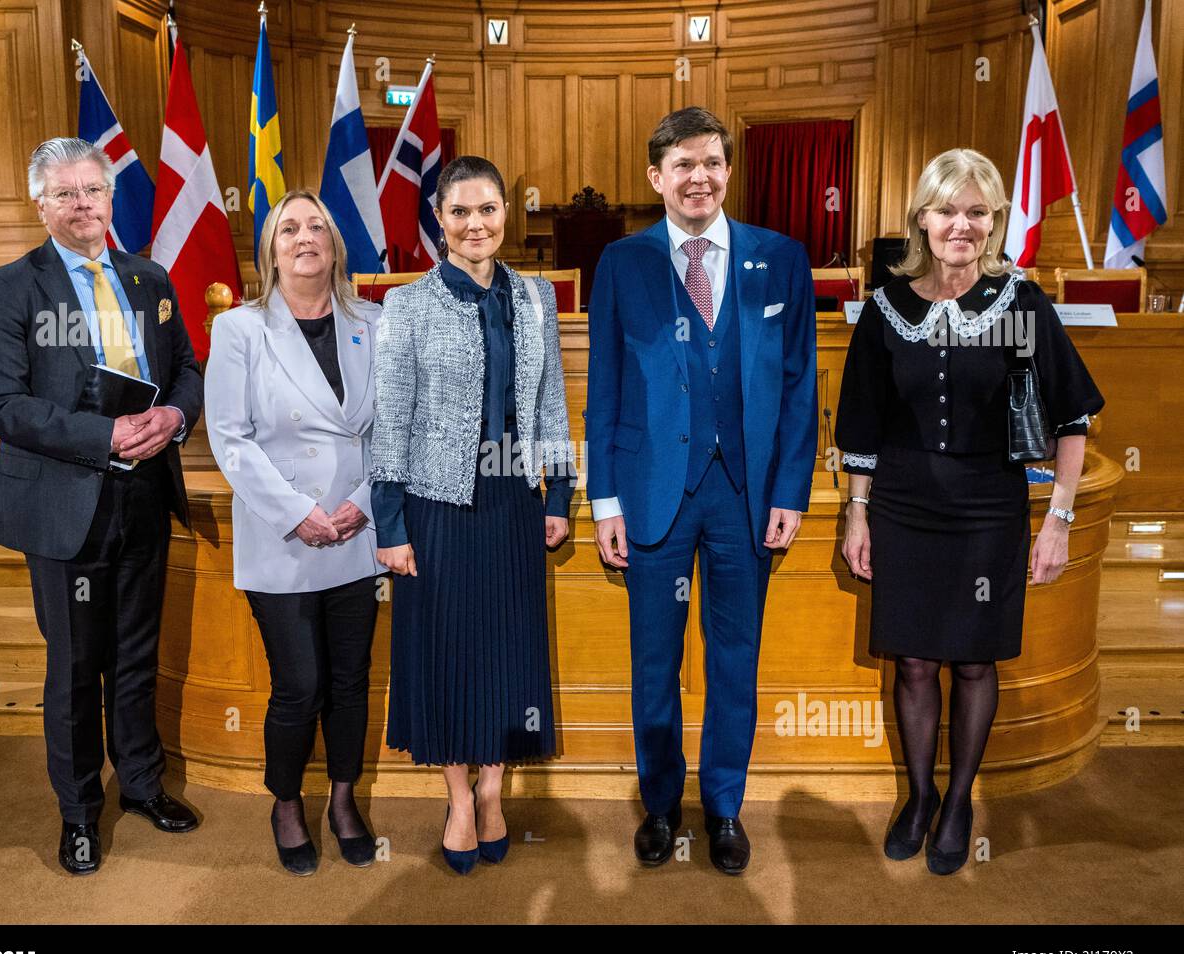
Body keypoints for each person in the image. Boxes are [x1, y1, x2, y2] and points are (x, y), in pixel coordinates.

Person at [836, 148, 1105, 875]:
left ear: (993, 222)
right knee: (916, 661)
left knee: (976, 662)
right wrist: (856, 515)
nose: (962, 225)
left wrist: (1059, 520)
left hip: (990, 508)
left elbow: (1074, 418)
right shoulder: (887, 308)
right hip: (903, 505)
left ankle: (959, 802)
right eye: (948, 210)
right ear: (922, 218)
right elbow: (860, 425)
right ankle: (919, 796)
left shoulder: (1021, 304)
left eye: (978, 212)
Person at [585, 107, 819, 875]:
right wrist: (606, 500)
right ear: (656, 177)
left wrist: (791, 489)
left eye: (712, 162)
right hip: (654, 495)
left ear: (728, 170)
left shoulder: (780, 257)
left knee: (734, 660)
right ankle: (660, 806)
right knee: (654, 663)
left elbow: (798, 384)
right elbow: (606, 386)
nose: (700, 176)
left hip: (746, 496)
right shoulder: (622, 262)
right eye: (683, 164)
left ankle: (723, 807)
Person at [0, 137, 203, 875]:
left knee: (136, 656)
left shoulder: (150, 278)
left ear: (110, 198)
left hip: (145, 495)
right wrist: (104, 436)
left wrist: (176, 420)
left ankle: (139, 785)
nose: (81, 206)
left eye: (92, 191)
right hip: (65, 503)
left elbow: (188, 369)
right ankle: (78, 813)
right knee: (75, 665)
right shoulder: (12, 287)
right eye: (64, 194)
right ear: (41, 205)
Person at [370, 155, 575, 875]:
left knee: (507, 654)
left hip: (514, 502)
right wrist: (388, 525)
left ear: (504, 214)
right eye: (459, 212)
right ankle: (458, 797)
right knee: (447, 654)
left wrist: (562, 493)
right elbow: (390, 423)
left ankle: (494, 791)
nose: (475, 223)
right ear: (438, 219)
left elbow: (549, 402)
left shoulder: (537, 298)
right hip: (437, 507)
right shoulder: (407, 306)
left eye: (487, 209)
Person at [205, 190, 385, 875]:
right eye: (289, 229)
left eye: (317, 226)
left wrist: (362, 505)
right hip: (283, 539)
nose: (305, 237)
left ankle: (342, 799)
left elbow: (391, 429)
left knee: (349, 678)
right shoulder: (240, 330)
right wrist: (297, 513)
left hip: (355, 533)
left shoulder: (373, 321)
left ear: (335, 245)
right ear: (271, 250)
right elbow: (229, 438)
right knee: (298, 684)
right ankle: (286, 801)